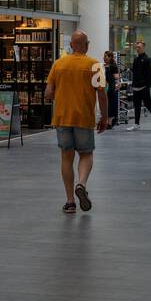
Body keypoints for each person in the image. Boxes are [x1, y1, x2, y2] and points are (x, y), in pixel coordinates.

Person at [44, 30, 108, 215]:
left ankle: (70, 201)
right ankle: (81, 184)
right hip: (84, 118)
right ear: (86, 45)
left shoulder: (58, 64)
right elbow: (102, 94)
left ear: (71, 45)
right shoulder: (95, 65)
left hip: (62, 117)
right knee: (86, 154)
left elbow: (48, 93)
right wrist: (104, 118)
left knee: (66, 157)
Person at [128, 40, 151, 130]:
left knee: (148, 105)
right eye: (136, 47)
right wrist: (133, 84)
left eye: (139, 47)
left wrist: (147, 85)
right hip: (136, 87)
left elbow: (149, 74)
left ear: (143, 47)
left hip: (144, 87)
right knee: (136, 106)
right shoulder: (135, 59)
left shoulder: (147, 59)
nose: (137, 49)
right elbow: (134, 73)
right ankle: (137, 124)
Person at [102, 50, 120, 128]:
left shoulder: (113, 66)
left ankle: (110, 122)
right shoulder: (103, 66)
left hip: (111, 87)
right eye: (104, 56)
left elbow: (116, 77)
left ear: (110, 57)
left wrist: (117, 84)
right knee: (106, 104)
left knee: (110, 104)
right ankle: (106, 121)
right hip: (105, 87)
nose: (104, 58)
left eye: (106, 56)